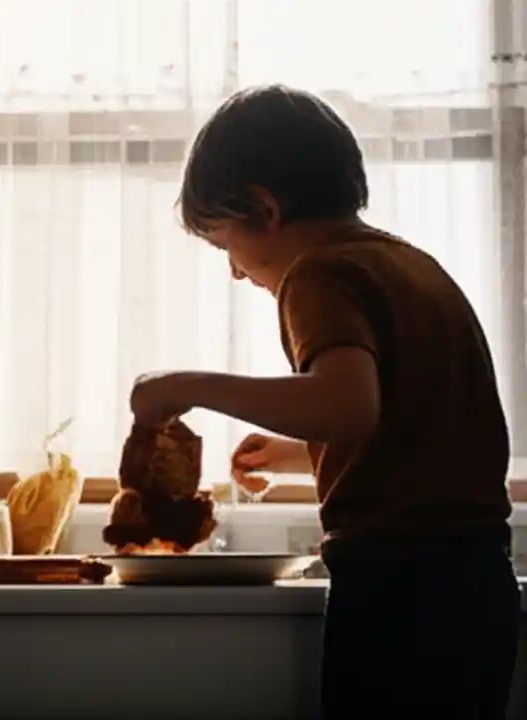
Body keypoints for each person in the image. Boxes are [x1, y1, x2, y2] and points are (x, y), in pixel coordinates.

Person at [128, 85, 519, 718]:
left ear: (264, 209)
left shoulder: (318, 274)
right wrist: (293, 453)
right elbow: (406, 422)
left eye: (226, 245)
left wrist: (185, 386)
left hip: (397, 583)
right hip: (479, 580)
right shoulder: (415, 267)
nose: (235, 271)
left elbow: (347, 408)